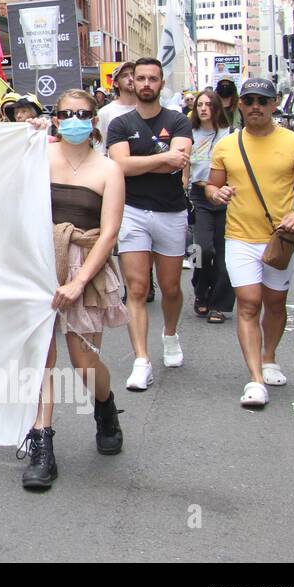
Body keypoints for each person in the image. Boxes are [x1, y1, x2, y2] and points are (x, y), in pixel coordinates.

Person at [19, 90, 127, 490]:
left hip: (85, 267)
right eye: (66, 114)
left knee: (84, 363)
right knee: (40, 359)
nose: (75, 120)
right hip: (40, 266)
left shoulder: (108, 170)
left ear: (94, 119)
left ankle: (105, 405)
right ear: (57, 118)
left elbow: (110, 232)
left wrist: (79, 281)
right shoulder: (38, 155)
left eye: (83, 113)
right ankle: (42, 443)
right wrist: (24, 132)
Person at [205, 78, 294, 408]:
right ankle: (255, 379)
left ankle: (269, 357)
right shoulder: (227, 145)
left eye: (263, 100)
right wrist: (219, 193)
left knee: (275, 303)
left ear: (274, 105)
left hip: (279, 239)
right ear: (240, 104)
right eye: (250, 100)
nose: (256, 105)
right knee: (249, 303)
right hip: (239, 236)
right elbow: (212, 189)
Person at [106, 57, 193, 390]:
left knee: (171, 287)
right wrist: (161, 158)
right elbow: (121, 167)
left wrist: (143, 163)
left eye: (152, 79)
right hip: (132, 211)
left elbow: (178, 163)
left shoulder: (179, 121)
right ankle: (141, 359)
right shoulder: (120, 124)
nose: (145, 84)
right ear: (130, 82)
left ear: (161, 83)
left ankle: (170, 335)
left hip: (171, 211)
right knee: (138, 288)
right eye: (139, 78)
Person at [188, 90, 235, 324]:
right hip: (199, 196)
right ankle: (200, 291)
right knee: (202, 249)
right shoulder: (189, 133)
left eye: (208, 104)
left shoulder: (231, 135)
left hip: (228, 196)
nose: (203, 109)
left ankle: (220, 304)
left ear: (217, 107)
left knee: (225, 254)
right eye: (199, 105)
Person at [96, 61, 137, 150]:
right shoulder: (105, 112)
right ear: (116, 83)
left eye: (133, 74)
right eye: (125, 76)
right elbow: (100, 148)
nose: (131, 78)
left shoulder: (147, 109)